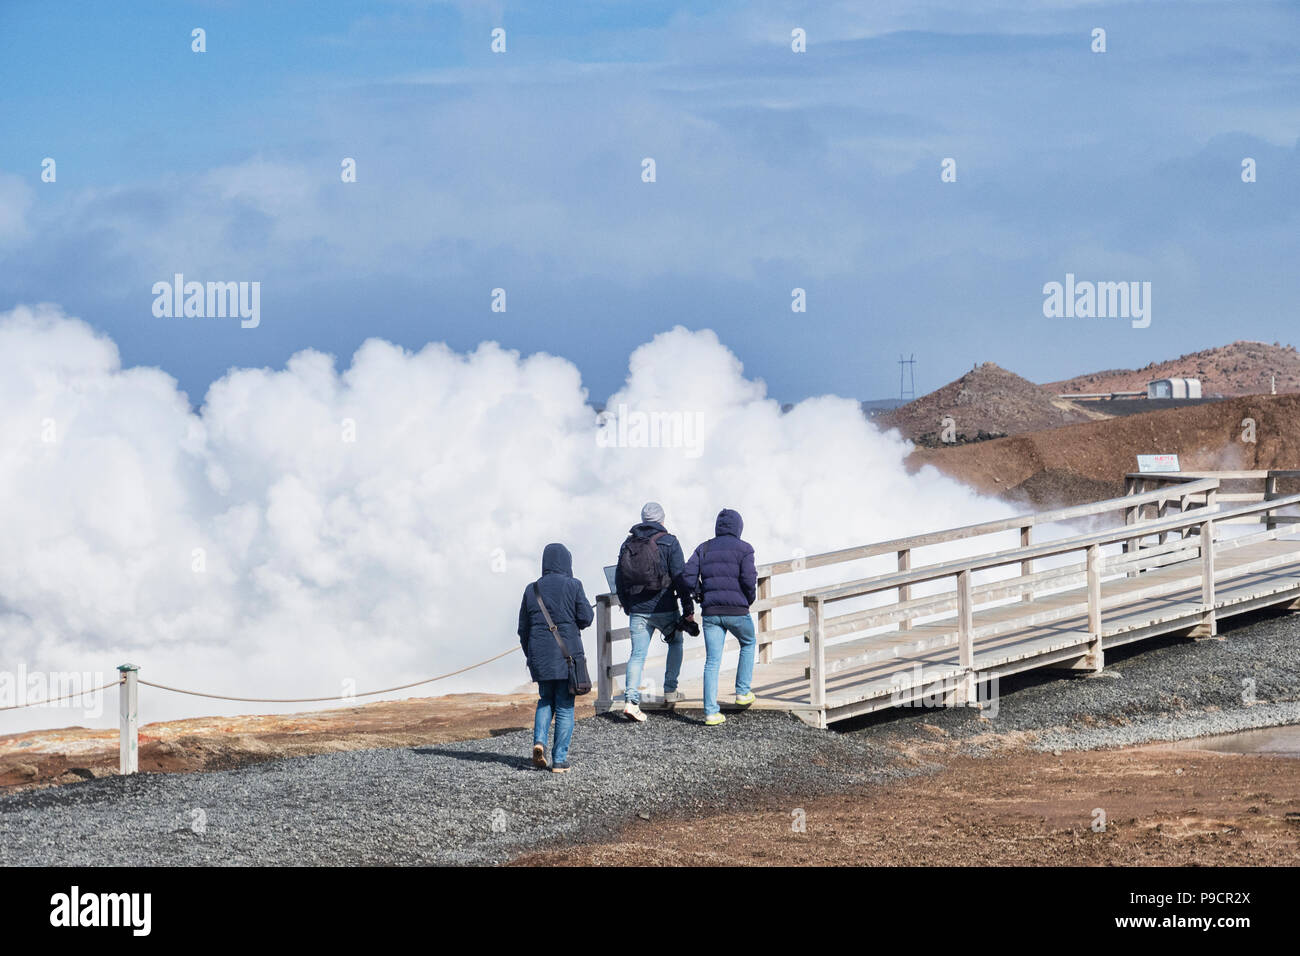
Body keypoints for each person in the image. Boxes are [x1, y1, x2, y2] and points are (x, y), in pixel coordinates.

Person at [614, 501, 696, 721]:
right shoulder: (670, 542)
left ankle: (631, 702)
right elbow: (680, 578)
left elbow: (619, 579)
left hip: (638, 609)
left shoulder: (628, 543)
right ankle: (670, 691)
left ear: (642, 520)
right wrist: (688, 608)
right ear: (662, 520)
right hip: (665, 607)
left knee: (637, 655)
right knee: (675, 643)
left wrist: (627, 604)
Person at [518, 542, 593, 773]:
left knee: (545, 700)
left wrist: (532, 656)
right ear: (566, 562)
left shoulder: (532, 589)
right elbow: (586, 618)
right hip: (566, 657)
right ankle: (559, 760)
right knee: (564, 705)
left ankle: (538, 742)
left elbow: (523, 629)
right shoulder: (573, 585)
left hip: (540, 657)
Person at [683, 508, 757, 726]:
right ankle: (742, 692)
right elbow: (748, 579)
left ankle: (711, 713)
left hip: (711, 613)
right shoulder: (745, 549)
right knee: (748, 642)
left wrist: (698, 593)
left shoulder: (703, 548)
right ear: (738, 528)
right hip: (737, 611)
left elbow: (687, 576)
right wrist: (748, 599)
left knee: (712, 661)